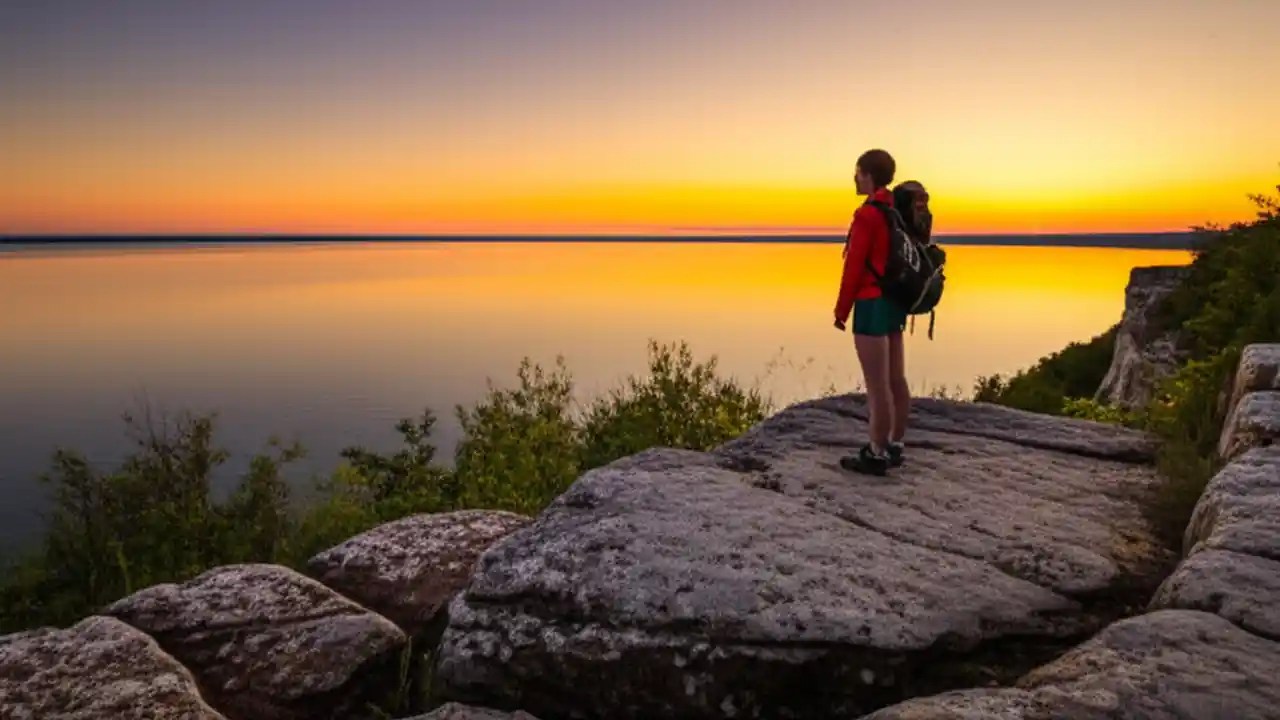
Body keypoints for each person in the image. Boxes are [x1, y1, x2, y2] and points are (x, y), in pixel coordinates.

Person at [832, 149, 910, 476]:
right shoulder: (894, 209)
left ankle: (877, 451)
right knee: (895, 378)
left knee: (876, 384)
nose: (854, 177)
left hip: (871, 304)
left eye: (858, 172)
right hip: (893, 301)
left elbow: (853, 268)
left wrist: (841, 310)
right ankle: (895, 443)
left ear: (868, 175)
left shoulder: (867, 215)